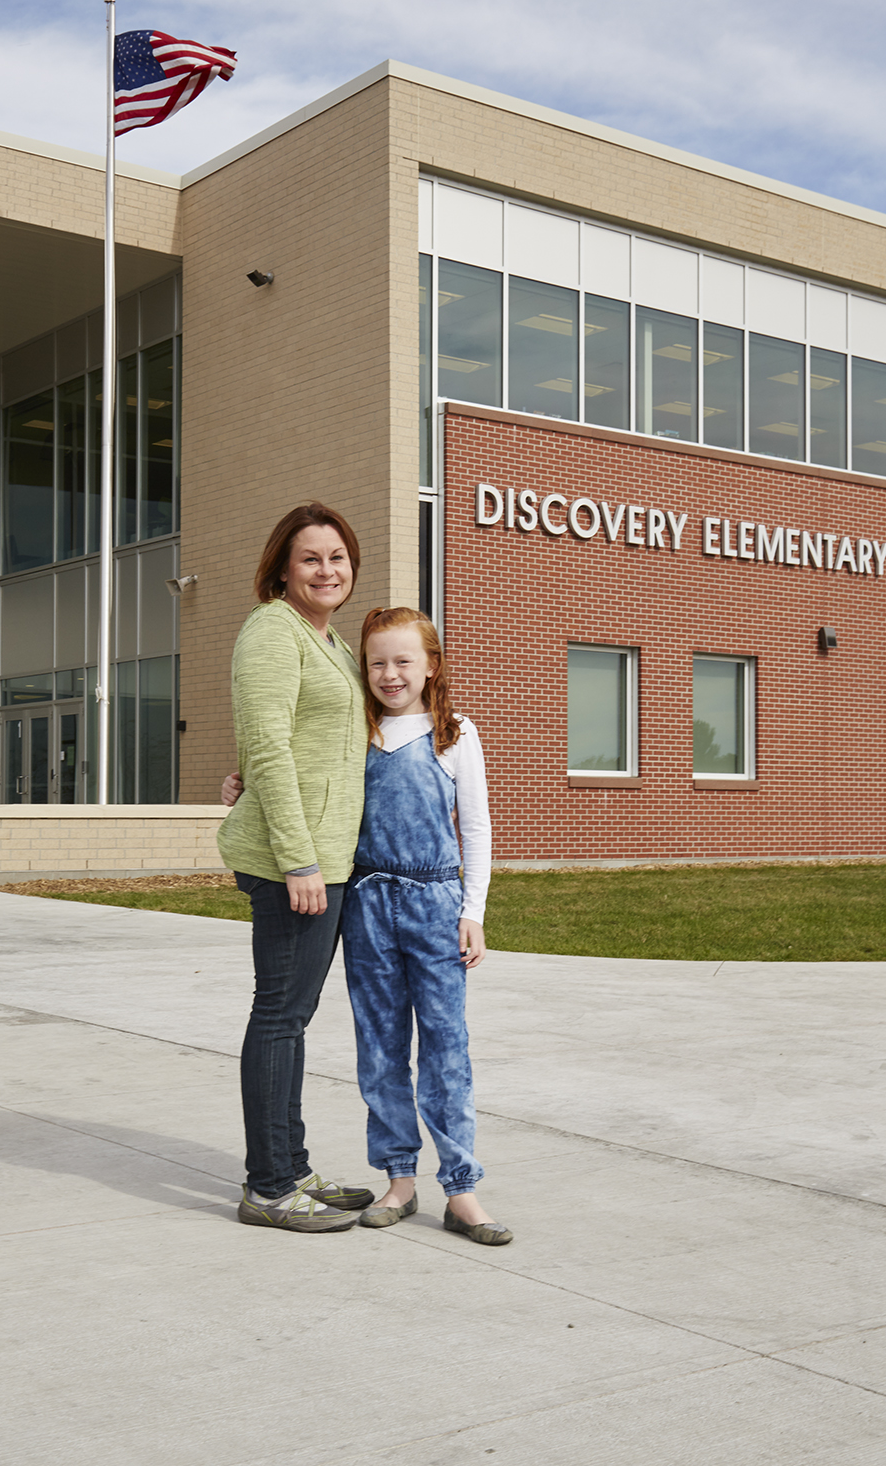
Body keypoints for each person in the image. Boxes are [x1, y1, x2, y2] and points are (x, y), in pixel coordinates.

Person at [218, 501, 375, 1234]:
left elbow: (289, 742)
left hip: (325, 859)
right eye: (311, 558)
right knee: (279, 1016)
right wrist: (298, 860)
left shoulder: (333, 642)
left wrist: (241, 776)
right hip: (297, 865)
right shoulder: (272, 630)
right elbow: (271, 744)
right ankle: (270, 1186)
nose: (327, 570)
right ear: (283, 565)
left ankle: (292, 1166)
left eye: (338, 557)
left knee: (293, 1019)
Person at [344, 606, 511, 1245]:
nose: (390, 673)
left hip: (434, 904)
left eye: (403, 660)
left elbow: (476, 828)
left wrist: (474, 912)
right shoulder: (353, 728)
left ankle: (462, 1189)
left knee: (445, 1044)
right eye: (378, 661)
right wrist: (240, 784)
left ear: (431, 666)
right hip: (367, 905)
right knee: (380, 1045)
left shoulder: (454, 732)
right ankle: (399, 1180)